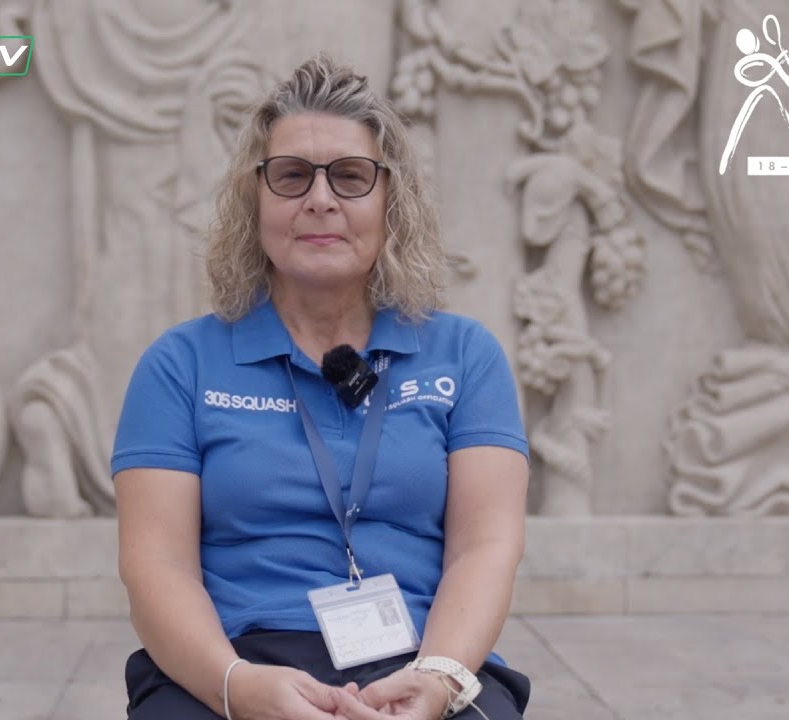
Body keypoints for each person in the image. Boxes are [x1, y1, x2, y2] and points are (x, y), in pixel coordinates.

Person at [111, 54, 531, 720]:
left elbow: (486, 548)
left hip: (424, 656)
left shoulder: (466, 355)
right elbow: (155, 566)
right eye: (291, 175)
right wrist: (238, 688)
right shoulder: (179, 365)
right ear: (255, 199)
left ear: (391, 201)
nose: (320, 198)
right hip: (235, 661)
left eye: (351, 176)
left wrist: (439, 679)